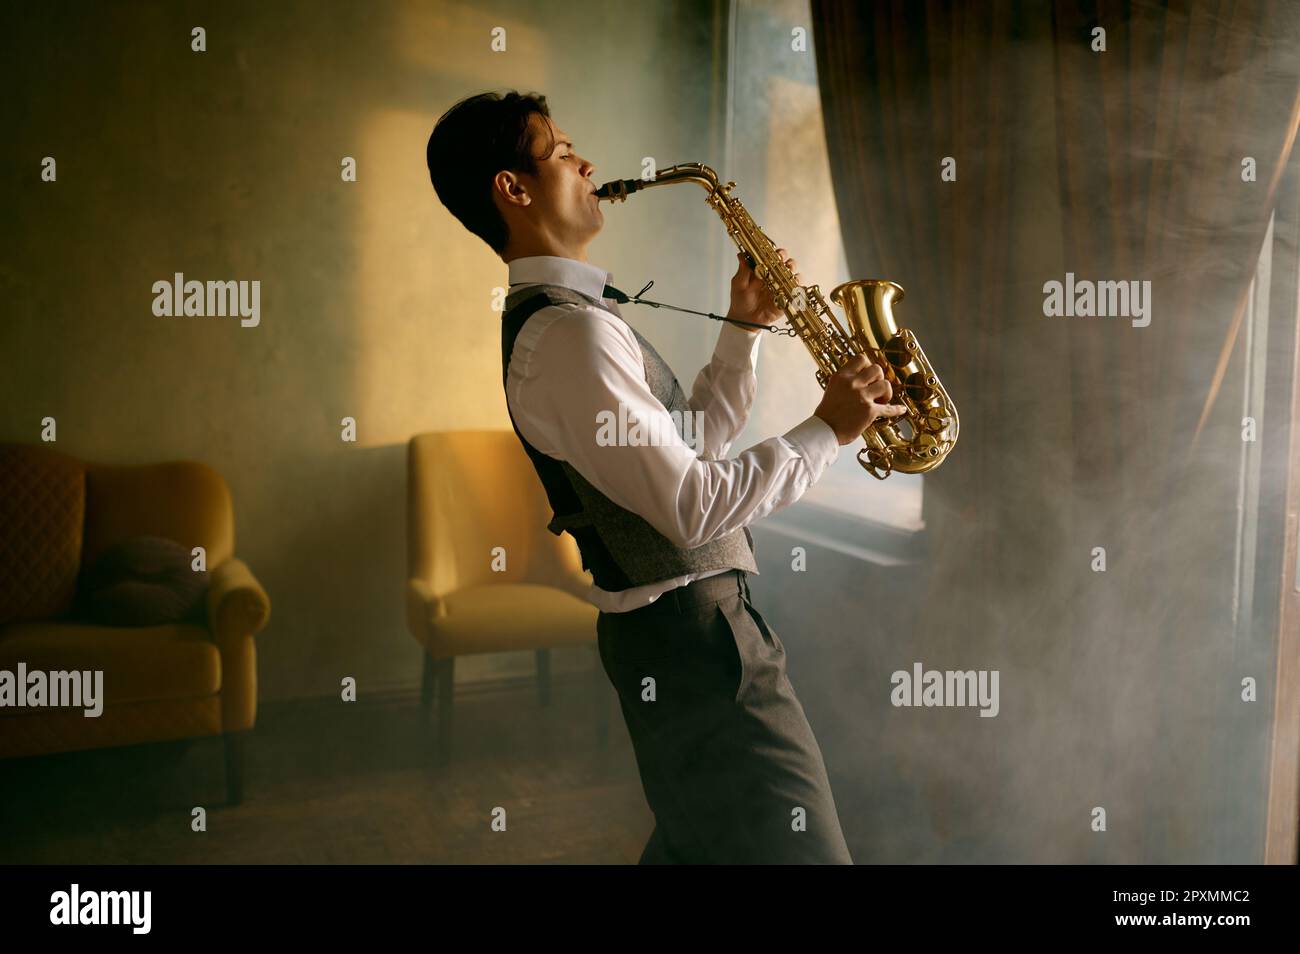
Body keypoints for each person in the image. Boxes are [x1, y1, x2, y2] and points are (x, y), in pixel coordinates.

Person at [426, 90, 906, 864]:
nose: (587, 165)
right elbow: (692, 508)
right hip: (694, 641)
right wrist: (831, 427)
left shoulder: (571, 322)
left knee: (701, 846)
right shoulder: (571, 334)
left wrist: (743, 333)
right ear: (512, 190)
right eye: (559, 153)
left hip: (688, 634)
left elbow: (692, 457)